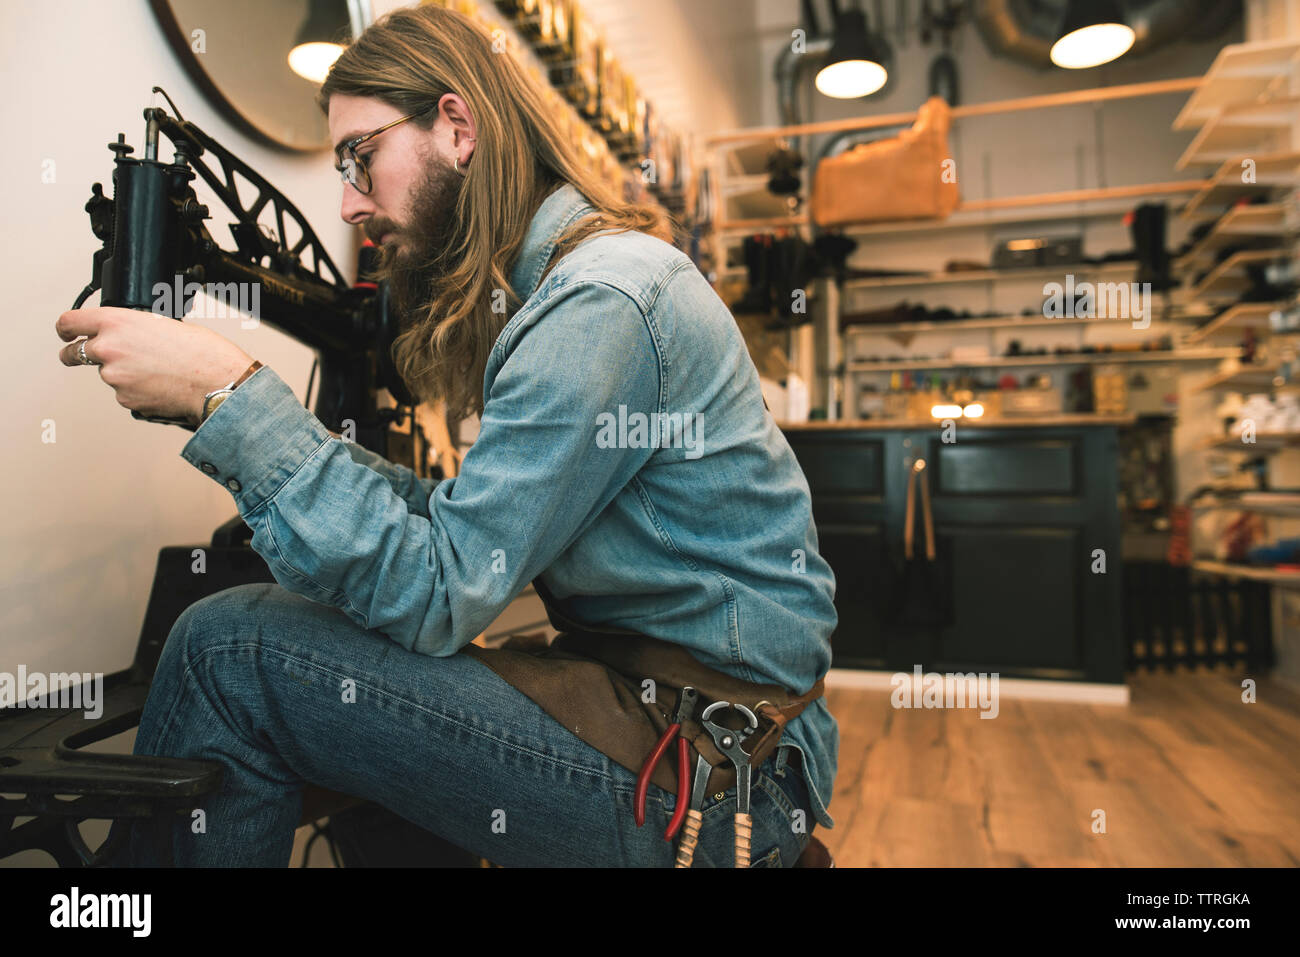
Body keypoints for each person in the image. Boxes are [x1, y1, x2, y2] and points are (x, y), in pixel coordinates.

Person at [54, 4, 838, 867]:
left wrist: (229, 396)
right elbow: (460, 531)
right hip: (682, 723)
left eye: (360, 157)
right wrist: (242, 414)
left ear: (457, 127)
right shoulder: (573, 286)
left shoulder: (601, 300)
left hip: (717, 778)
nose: (350, 203)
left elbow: (443, 591)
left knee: (225, 650)